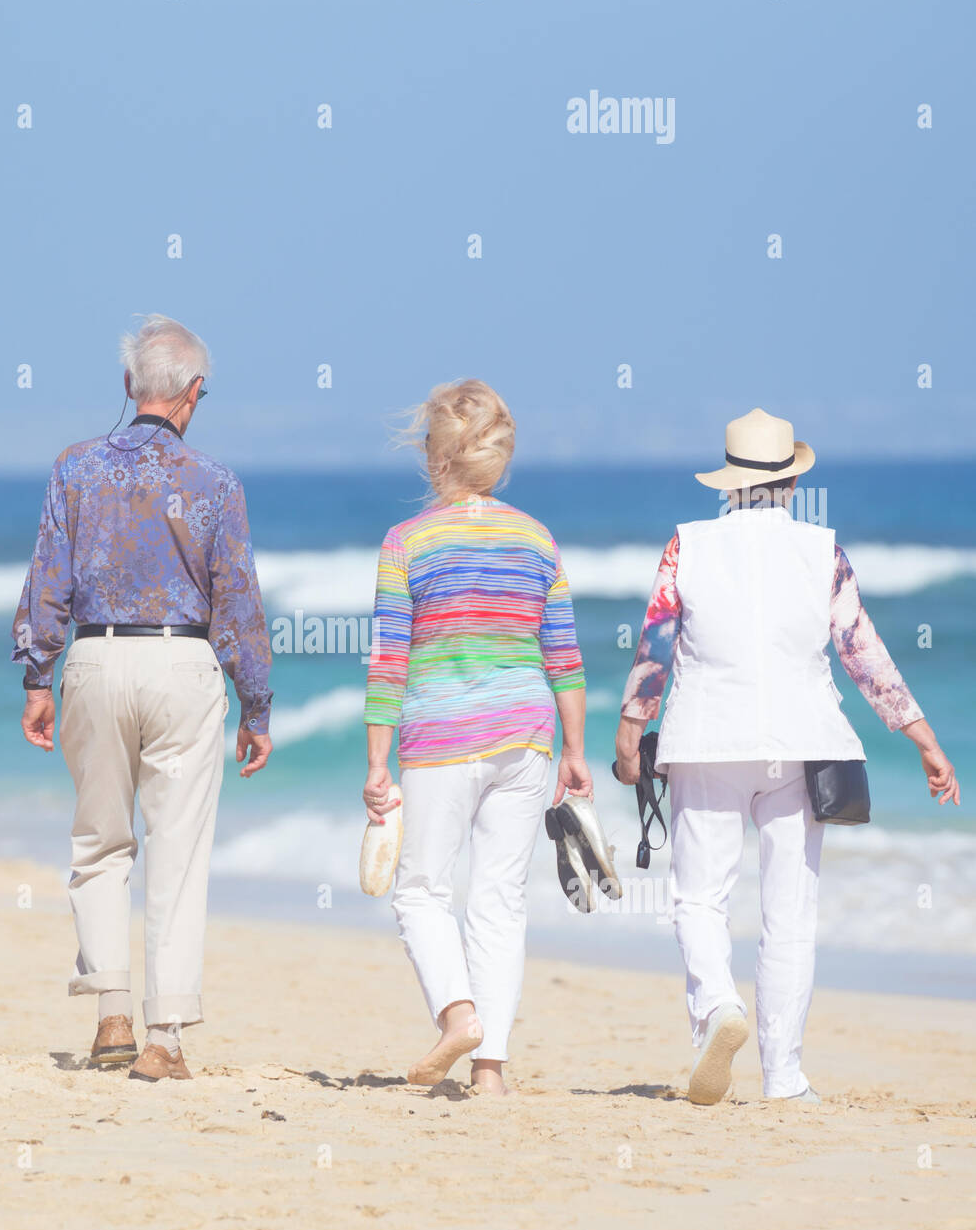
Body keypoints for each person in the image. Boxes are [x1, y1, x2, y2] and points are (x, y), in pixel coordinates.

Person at [615, 408, 960, 1106]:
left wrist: (631, 726)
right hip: (803, 744)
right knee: (791, 912)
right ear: (793, 482)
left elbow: (655, 644)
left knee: (699, 897)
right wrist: (921, 735)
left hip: (707, 739)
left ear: (730, 483)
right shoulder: (822, 550)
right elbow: (862, 653)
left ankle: (719, 1009)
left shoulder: (688, 545)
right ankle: (785, 1077)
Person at [13, 314, 273, 1084]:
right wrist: (255, 705)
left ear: (130, 387)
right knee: (178, 853)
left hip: (94, 657)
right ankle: (166, 1035)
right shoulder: (217, 484)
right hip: (183, 662)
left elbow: (46, 581)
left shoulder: (74, 468)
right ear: (193, 395)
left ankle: (111, 1017)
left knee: (99, 843)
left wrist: (37, 676)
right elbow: (239, 606)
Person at [362, 379, 592, 1096]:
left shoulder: (408, 542)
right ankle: (490, 1072)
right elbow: (565, 656)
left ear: (438, 457)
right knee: (499, 900)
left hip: (442, 737)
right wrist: (577, 752)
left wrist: (377, 765)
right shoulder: (537, 539)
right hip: (528, 736)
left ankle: (459, 1017)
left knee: (423, 892)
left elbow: (389, 660)